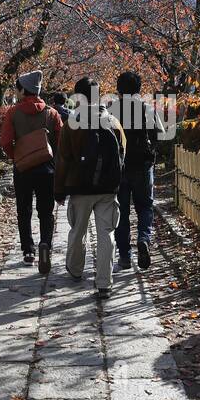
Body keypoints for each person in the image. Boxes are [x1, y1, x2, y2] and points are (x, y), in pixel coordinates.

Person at [54, 77, 126, 299]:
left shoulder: (72, 123)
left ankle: (76, 270)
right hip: (107, 189)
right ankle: (104, 282)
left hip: (79, 187)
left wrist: (59, 189)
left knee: (78, 230)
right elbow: (122, 153)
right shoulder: (113, 122)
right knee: (107, 233)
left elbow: (63, 159)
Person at [0, 70, 62, 274]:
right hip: (47, 167)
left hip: (23, 168)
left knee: (23, 209)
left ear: (22, 90)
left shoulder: (13, 112)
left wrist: (17, 156)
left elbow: (6, 142)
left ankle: (28, 250)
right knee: (46, 210)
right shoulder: (52, 113)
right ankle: (46, 243)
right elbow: (60, 143)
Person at [113, 70, 163, 270]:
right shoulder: (146, 109)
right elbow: (159, 134)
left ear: (118, 89)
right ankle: (144, 238)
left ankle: (124, 255)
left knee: (121, 211)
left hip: (120, 167)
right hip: (142, 165)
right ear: (139, 88)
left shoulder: (113, 109)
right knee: (145, 206)